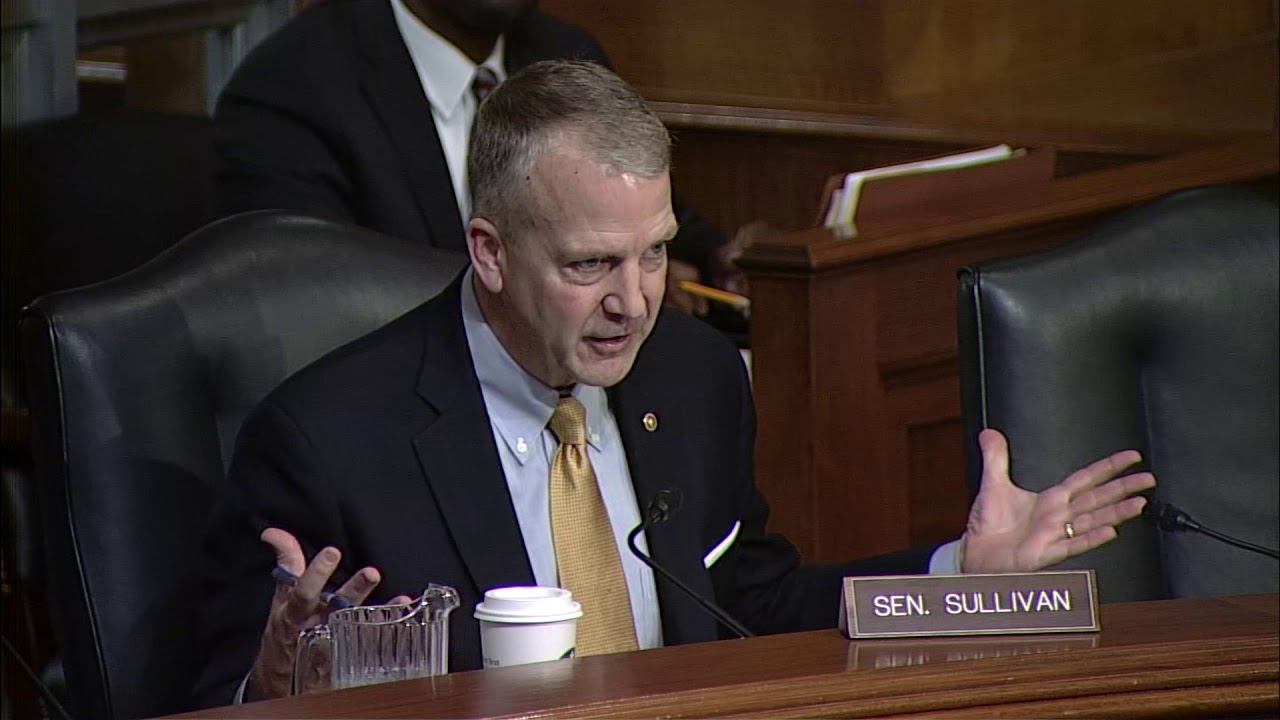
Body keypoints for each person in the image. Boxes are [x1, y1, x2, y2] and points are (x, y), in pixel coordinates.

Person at [193, 60, 1155, 705]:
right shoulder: (328, 439)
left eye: (654, 254)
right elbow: (211, 696)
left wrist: (960, 583)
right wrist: (273, 683)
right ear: (488, 252)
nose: (635, 302)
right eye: (590, 266)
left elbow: (751, 606)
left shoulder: (692, 375)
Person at [213, 0, 740, 318]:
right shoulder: (291, 88)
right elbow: (319, 309)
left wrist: (724, 255)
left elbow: (628, 205)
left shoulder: (563, 51)